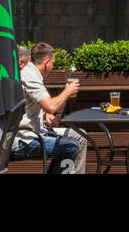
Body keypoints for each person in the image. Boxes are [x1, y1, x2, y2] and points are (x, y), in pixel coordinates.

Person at [12, 42, 86, 174]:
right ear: (46, 62)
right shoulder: (30, 76)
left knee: (81, 135)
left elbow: (35, 102)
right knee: (71, 146)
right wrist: (68, 91)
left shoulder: (31, 73)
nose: (52, 67)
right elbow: (51, 106)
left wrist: (44, 113)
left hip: (38, 129)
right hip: (25, 138)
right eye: (53, 63)